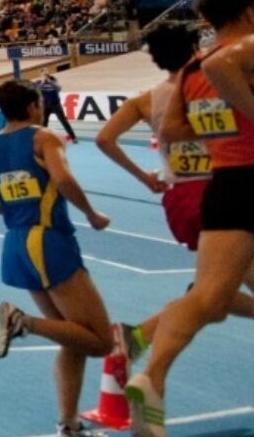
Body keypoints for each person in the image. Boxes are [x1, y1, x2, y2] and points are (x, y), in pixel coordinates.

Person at [130, 0, 254, 437]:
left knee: (210, 297)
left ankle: (151, 375)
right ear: (246, 13)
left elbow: (171, 131)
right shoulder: (230, 56)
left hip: (225, 184)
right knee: (212, 297)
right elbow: (228, 68)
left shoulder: (192, 71)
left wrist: (226, 128)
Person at [99, 24, 254, 377]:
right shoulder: (217, 80)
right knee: (213, 294)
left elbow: (105, 139)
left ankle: (139, 336)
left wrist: (145, 177)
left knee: (214, 290)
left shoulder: (146, 100)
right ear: (195, 46)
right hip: (227, 191)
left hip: (181, 196)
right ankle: (139, 340)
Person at [0, 81, 115, 437]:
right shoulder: (44, 138)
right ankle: (24, 322)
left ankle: (68, 426)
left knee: (72, 336)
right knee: (100, 341)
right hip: (48, 240)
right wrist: (92, 214)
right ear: (35, 105)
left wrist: (8, 211)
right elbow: (62, 179)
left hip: (17, 242)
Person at [35, 70, 78, 143]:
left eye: (46, 74)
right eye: (43, 74)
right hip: (45, 105)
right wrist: (43, 82)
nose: (45, 76)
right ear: (41, 75)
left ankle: (73, 137)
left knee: (63, 121)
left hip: (55, 104)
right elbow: (37, 89)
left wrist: (50, 82)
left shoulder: (53, 80)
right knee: (44, 122)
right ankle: (41, 139)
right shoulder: (39, 82)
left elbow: (58, 89)